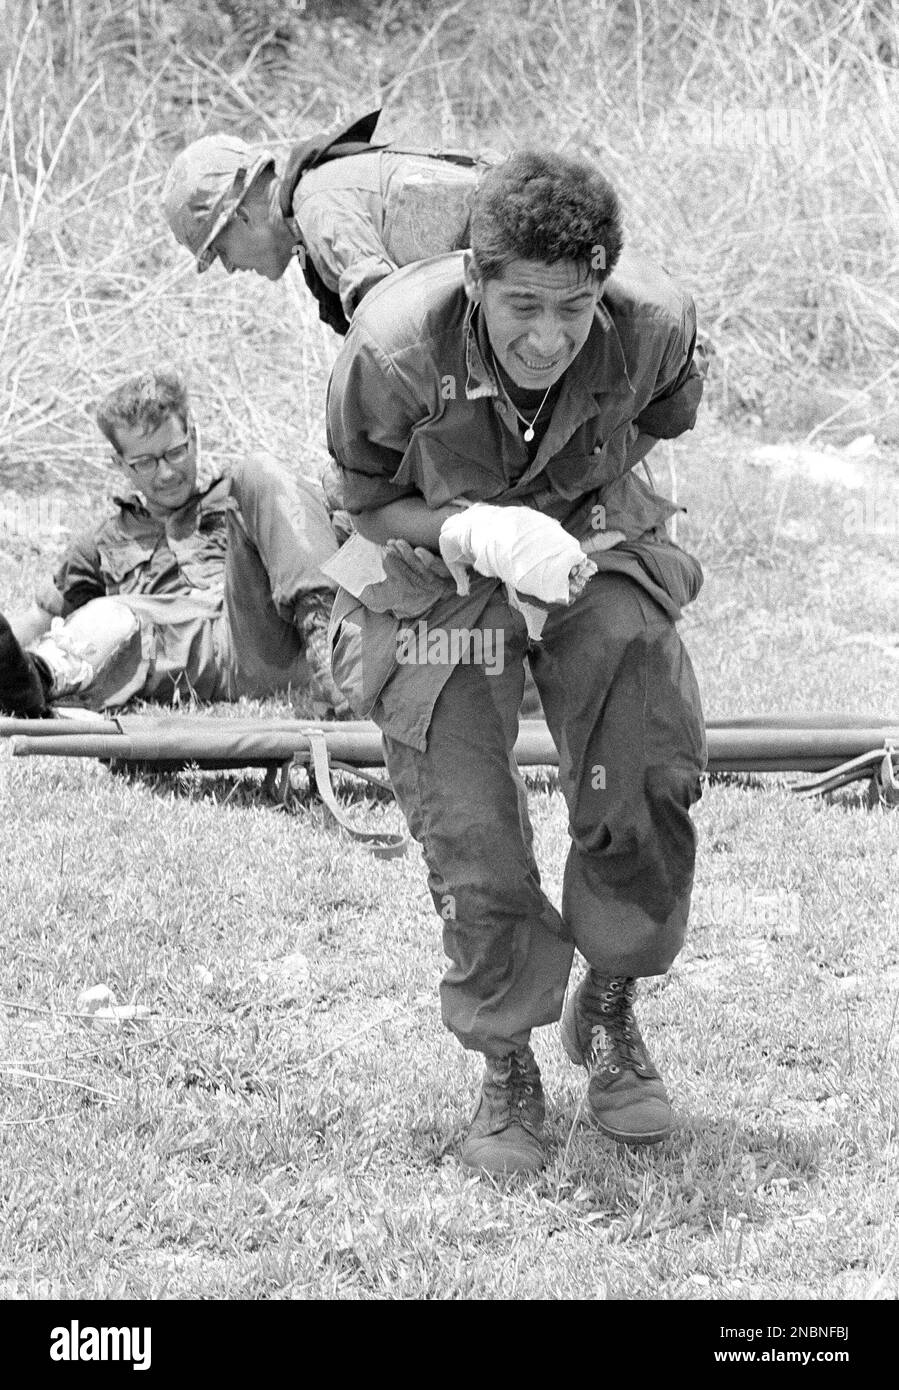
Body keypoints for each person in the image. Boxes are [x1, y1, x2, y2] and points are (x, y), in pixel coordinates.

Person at [324, 149, 708, 1176]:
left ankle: (612, 996)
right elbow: (364, 509)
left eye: (573, 308)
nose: (547, 337)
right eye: (521, 305)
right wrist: (466, 532)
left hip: (590, 526)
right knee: (464, 809)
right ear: (476, 276)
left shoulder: (654, 326)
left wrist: (568, 524)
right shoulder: (391, 345)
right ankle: (505, 1056)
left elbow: (662, 422)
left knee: (646, 752)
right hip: (428, 553)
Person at [0, 368, 347, 719]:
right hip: (177, 657)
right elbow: (33, 621)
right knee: (110, 618)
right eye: (146, 463)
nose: (166, 473)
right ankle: (37, 681)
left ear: (194, 437)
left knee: (259, 468)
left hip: (264, 639)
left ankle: (330, 651)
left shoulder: (239, 498)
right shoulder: (100, 543)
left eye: (176, 453)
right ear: (119, 464)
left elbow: (317, 539)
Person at [161, 110, 500, 332]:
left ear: (242, 216)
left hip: (527, 257)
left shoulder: (318, 208)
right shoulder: (314, 203)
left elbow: (393, 333)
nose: (230, 267)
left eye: (220, 250)